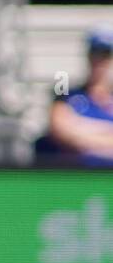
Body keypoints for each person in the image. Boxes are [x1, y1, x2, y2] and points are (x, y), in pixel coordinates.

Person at [46, 27, 113, 165]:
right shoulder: (65, 91)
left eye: (105, 55)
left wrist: (78, 126)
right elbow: (59, 129)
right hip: (76, 175)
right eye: (95, 53)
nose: (99, 61)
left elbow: (71, 132)